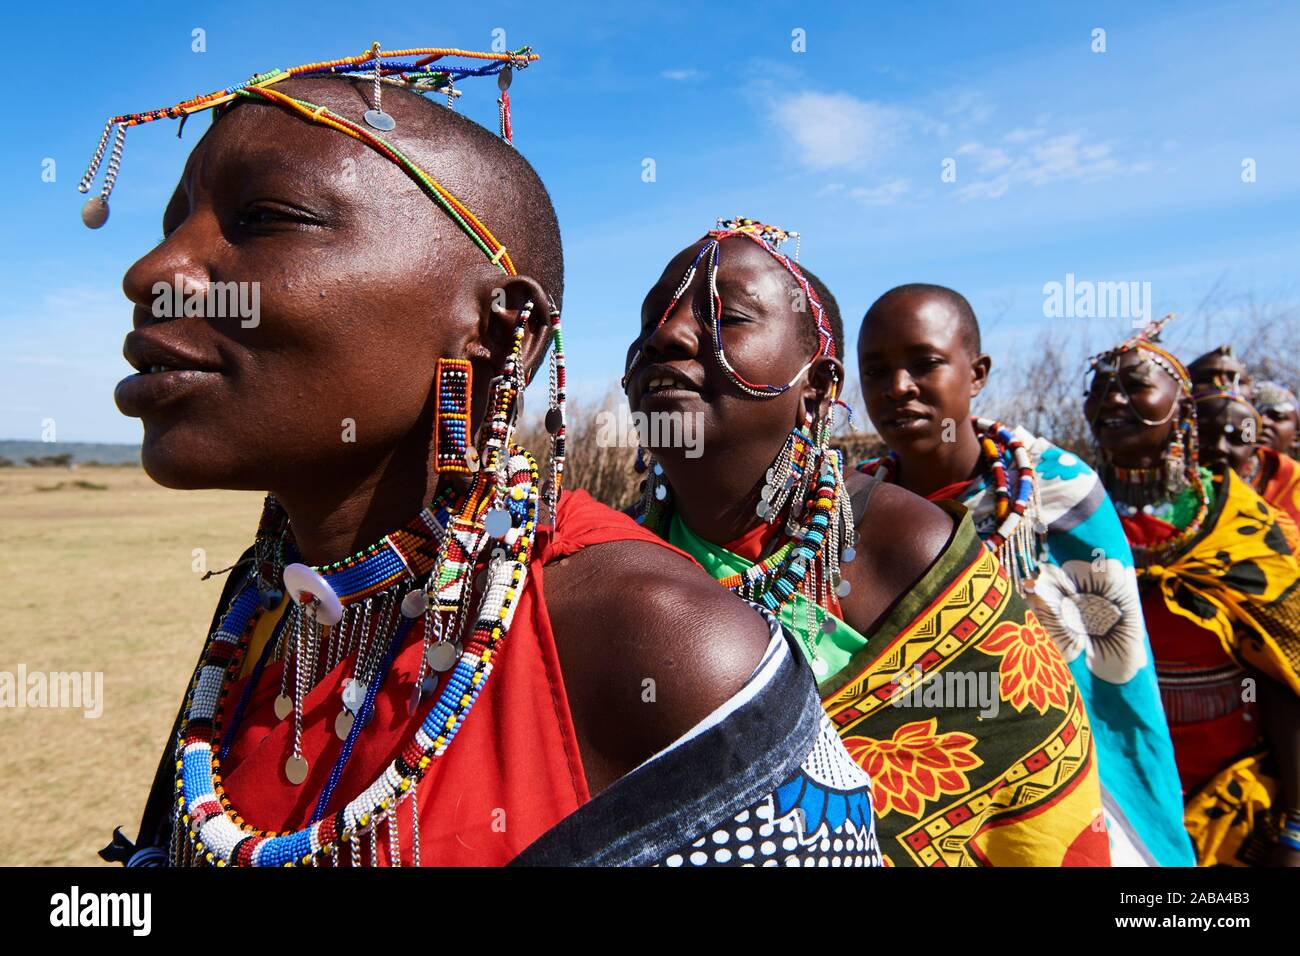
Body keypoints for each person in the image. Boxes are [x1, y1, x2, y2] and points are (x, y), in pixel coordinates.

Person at [86, 48, 882, 868]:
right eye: (170, 225)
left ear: (500, 329)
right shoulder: (269, 604)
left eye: (265, 217)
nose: (153, 273)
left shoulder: (664, 645)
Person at [623, 219, 1110, 866]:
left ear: (818, 389)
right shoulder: (615, 559)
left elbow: (1040, 806)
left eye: (728, 317)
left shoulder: (914, 550)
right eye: (652, 318)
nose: (665, 336)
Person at [854, 284, 1191, 866]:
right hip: (912, 803)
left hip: (1065, 791)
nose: (898, 388)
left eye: (925, 363)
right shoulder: (849, 509)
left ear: (977, 371)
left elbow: (1117, 681)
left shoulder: (1059, 493)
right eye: (876, 370)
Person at [1084, 316, 1300, 866]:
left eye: (1133, 385)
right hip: (1111, 792)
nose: (1112, 399)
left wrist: (1296, 830)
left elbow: (1283, 679)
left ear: (1180, 405)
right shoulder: (1067, 518)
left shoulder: (1240, 523)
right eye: (1101, 387)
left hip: (1237, 800)